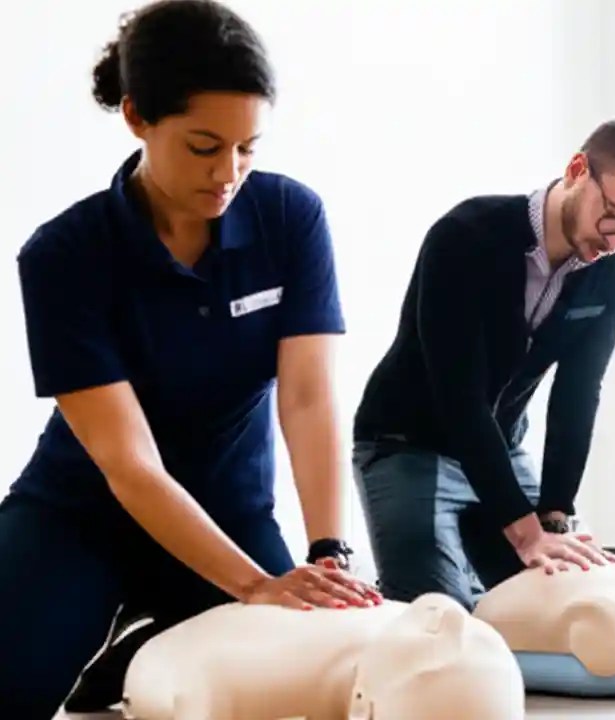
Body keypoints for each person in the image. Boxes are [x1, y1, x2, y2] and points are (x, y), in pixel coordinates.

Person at [0, 2, 380, 716]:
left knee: (297, 680)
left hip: (229, 509)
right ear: (138, 117)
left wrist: (328, 550)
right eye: (204, 147)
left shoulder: (291, 219)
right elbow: (129, 465)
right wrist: (252, 585)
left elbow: (307, 398)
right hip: (80, 513)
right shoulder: (62, 256)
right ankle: (104, 633)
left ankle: (135, 649)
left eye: (247, 148)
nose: (227, 172)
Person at [351, 118, 615, 609]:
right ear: (576, 170)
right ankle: (413, 584)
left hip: (500, 446)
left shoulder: (613, 270)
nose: (614, 241)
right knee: (443, 619)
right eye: (612, 217)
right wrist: (523, 534)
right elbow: (459, 397)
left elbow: (578, 393)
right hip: (406, 444)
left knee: (568, 597)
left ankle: (476, 573)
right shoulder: (465, 236)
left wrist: (553, 518)